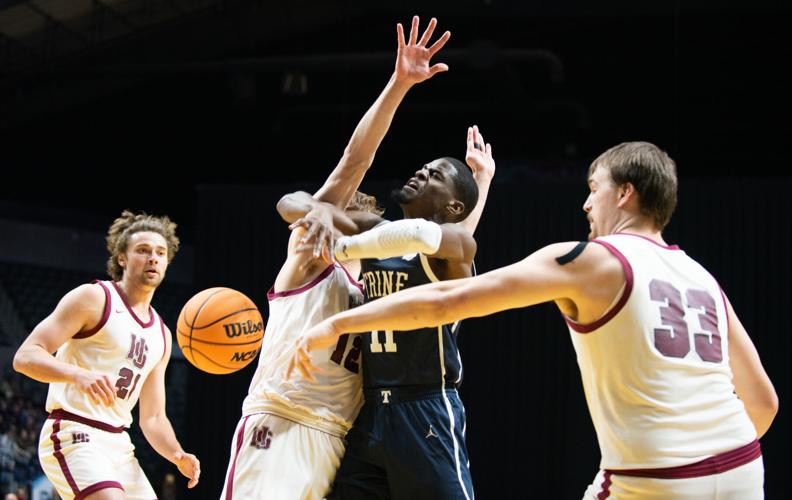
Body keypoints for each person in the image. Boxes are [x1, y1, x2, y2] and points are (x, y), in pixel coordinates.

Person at [291, 141, 778, 499]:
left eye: (595, 189)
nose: (587, 204)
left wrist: (334, 326)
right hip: (743, 467)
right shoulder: (702, 277)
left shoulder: (592, 259)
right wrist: (712, 458)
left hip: (656, 478)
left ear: (625, 194)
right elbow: (763, 402)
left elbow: (448, 298)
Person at [220, 15, 496, 500]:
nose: (343, 212)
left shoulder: (380, 272)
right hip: (281, 418)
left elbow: (450, 262)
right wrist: (398, 84)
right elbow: (351, 163)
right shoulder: (311, 250)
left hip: (343, 433)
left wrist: (482, 184)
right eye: (340, 212)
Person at [13, 211, 200, 500]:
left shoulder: (161, 334)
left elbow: (153, 417)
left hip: (120, 446)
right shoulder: (94, 298)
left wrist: (177, 453)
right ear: (122, 258)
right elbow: (25, 356)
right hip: (74, 433)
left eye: (160, 253)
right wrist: (77, 374)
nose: (153, 258)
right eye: (143, 250)